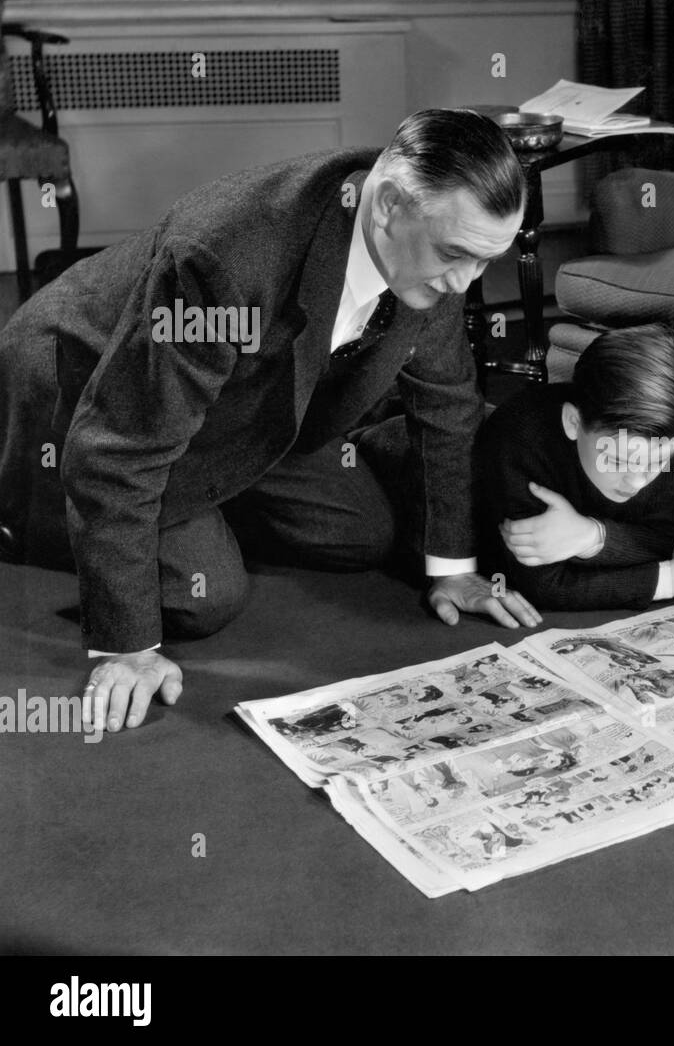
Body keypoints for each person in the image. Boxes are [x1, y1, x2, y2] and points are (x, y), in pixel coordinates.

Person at [0, 109, 543, 735]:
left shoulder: (439, 250)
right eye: (456, 256)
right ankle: (35, 517)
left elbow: (447, 402)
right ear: (389, 205)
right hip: (78, 392)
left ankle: (194, 508)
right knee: (205, 596)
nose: (464, 283)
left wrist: (454, 569)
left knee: (361, 533)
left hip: (234, 408)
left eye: (486, 262)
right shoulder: (226, 254)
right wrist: (125, 647)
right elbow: (119, 447)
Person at [476, 324, 674, 610]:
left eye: (657, 462)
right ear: (573, 423)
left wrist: (592, 537)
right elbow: (545, 585)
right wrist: (672, 580)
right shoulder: (519, 439)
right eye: (616, 460)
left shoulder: (670, 432)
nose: (637, 481)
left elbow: (666, 538)